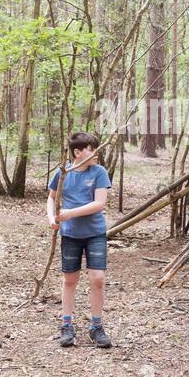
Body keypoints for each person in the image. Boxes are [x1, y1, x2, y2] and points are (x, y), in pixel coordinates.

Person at [47, 132, 114, 349]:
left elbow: (99, 204)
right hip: (70, 234)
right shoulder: (63, 173)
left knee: (97, 278)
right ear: (78, 152)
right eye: (91, 149)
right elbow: (51, 198)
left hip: (95, 232)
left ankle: (96, 326)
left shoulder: (99, 172)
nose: (96, 154)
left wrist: (70, 213)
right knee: (69, 280)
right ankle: (67, 325)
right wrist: (52, 217)